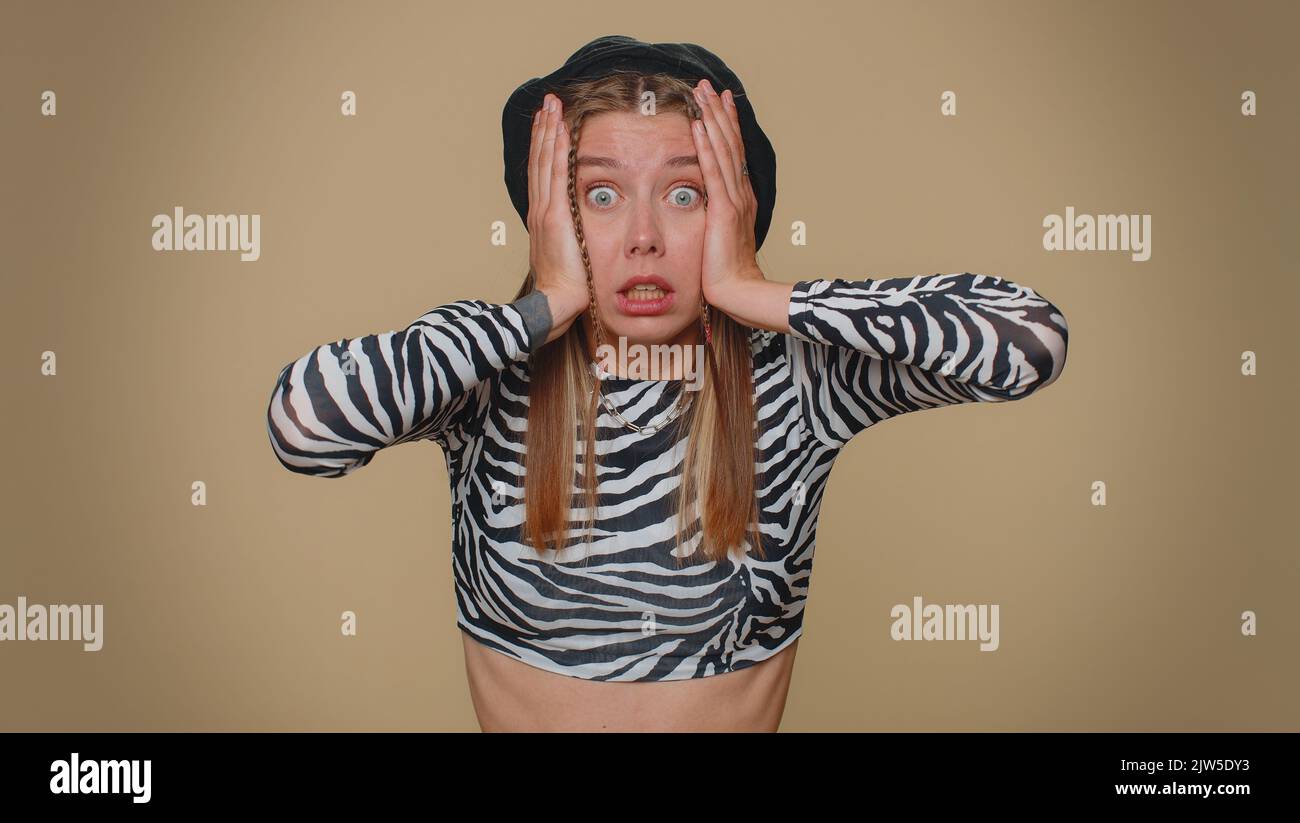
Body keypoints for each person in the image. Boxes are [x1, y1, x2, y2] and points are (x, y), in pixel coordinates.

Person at [265, 37, 1069, 732]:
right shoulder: (484, 378)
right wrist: (542, 307)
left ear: (734, 212)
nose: (643, 237)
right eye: (601, 195)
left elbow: (1029, 340)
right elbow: (304, 424)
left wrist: (755, 291)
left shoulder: (797, 380)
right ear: (554, 215)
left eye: (685, 195)